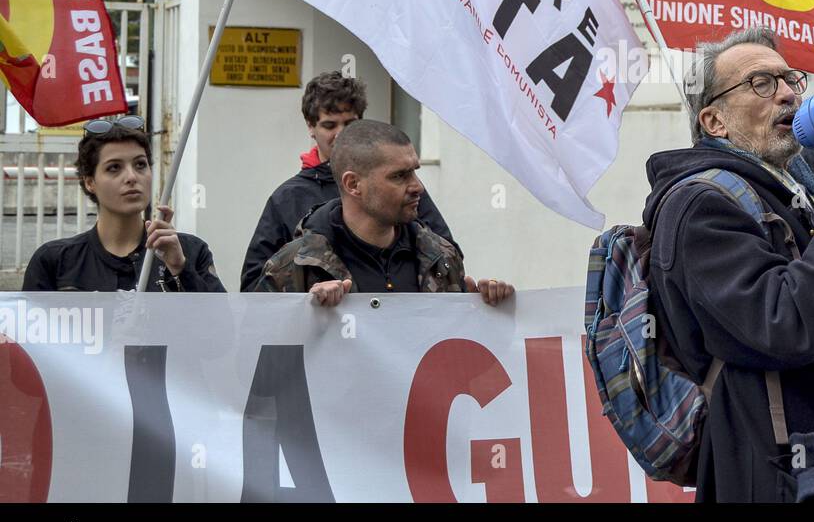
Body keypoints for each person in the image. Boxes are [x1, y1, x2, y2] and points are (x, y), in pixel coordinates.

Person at [643, 27, 814, 503]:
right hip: (774, 481)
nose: (787, 93)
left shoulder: (784, 196)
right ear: (714, 120)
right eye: (761, 83)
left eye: (789, 80)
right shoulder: (699, 205)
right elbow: (782, 325)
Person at [252, 120, 512, 306]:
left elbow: (462, 366)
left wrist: (489, 314)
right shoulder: (293, 266)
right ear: (353, 184)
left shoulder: (440, 258)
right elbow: (256, 362)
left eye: (415, 171)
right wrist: (306, 316)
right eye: (399, 176)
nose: (417, 186)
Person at [240, 71, 458, 290]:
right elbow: (257, 289)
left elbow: (444, 256)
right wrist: (308, 303)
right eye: (329, 125)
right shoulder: (288, 198)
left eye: (349, 123)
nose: (340, 133)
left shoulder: (407, 192)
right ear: (310, 126)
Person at [23, 116, 224, 292]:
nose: (131, 177)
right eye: (114, 168)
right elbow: (30, 333)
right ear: (90, 182)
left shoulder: (190, 251)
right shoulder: (56, 262)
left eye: (140, 165)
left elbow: (222, 329)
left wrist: (181, 269)